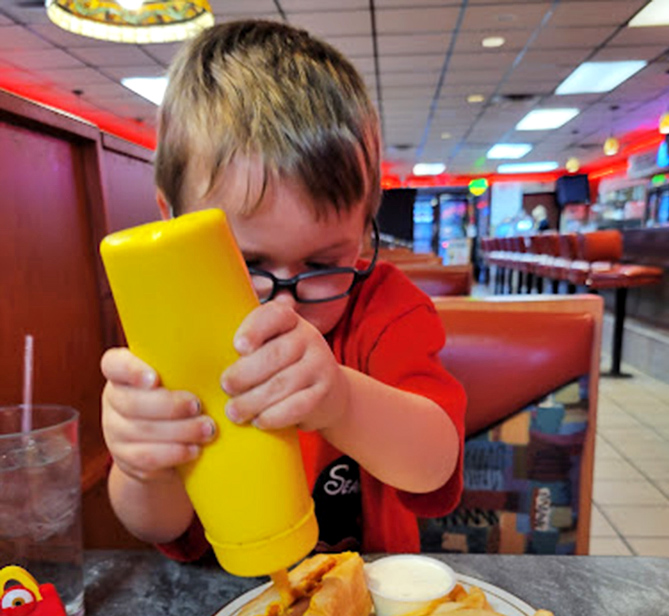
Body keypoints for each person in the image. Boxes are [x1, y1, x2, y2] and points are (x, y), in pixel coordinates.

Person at [101, 19, 466, 561]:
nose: (286, 305)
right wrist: (142, 467)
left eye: (322, 263)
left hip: (366, 596)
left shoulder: (386, 310)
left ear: (365, 231)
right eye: (246, 263)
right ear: (172, 220)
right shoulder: (167, 331)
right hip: (225, 598)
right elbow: (157, 525)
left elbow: (434, 466)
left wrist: (342, 401)